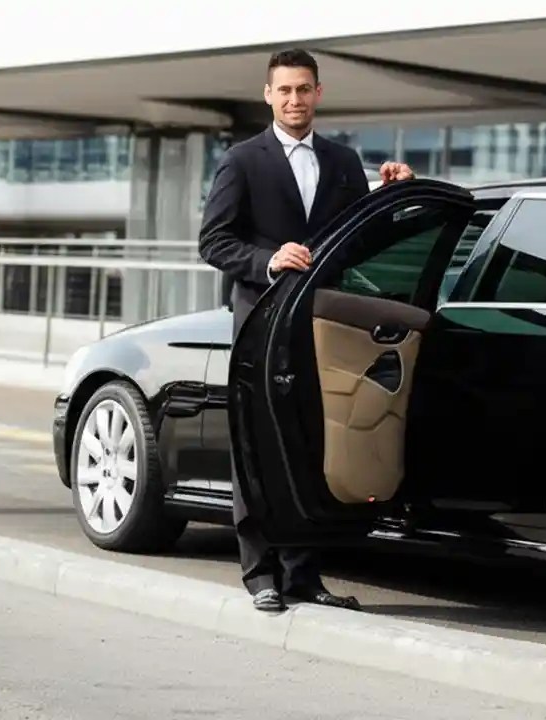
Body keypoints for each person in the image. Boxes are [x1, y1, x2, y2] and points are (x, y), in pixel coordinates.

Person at [197, 48, 414, 613]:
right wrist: (270, 260)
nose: (294, 100)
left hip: (323, 325)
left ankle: (303, 575)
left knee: (311, 444)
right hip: (261, 325)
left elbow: (363, 241)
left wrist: (390, 193)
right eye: (284, 90)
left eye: (303, 89)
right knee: (257, 445)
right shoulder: (242, 160)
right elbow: (214, 242)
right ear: (268, 95)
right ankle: (260, 574)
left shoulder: (343, 161)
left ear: (319, 93)